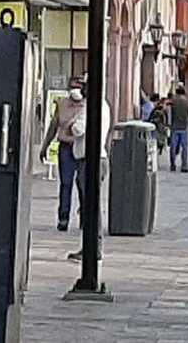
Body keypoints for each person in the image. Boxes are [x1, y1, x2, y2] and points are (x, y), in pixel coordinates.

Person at [66, 85, 112, 262]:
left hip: (89, 160)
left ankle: (92, 249)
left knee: (90, 207)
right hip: (98, 159)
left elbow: (78, 129)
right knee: (90, 206)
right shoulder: (104, 105)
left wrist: (70, 124)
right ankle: (91, 247)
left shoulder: (91, 106)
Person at [41, 77, 87, 231]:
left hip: (81, 148)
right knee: (66, 184)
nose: (75, 89)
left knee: (83, 185)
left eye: (78, 86)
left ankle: (84, 218)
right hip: (66, 148)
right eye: (73, 86)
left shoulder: (87, 105)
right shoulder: (62, 104)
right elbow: (53, 126)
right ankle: (63, 218)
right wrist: (45, 146)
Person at [169, 87, 188, 172]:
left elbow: (169, 113)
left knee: (173, 146)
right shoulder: (187, 101)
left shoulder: (173, 101)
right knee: (185, 147)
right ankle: (184, 165)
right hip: (185, 126)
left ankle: (172, 164)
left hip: (175, 126)